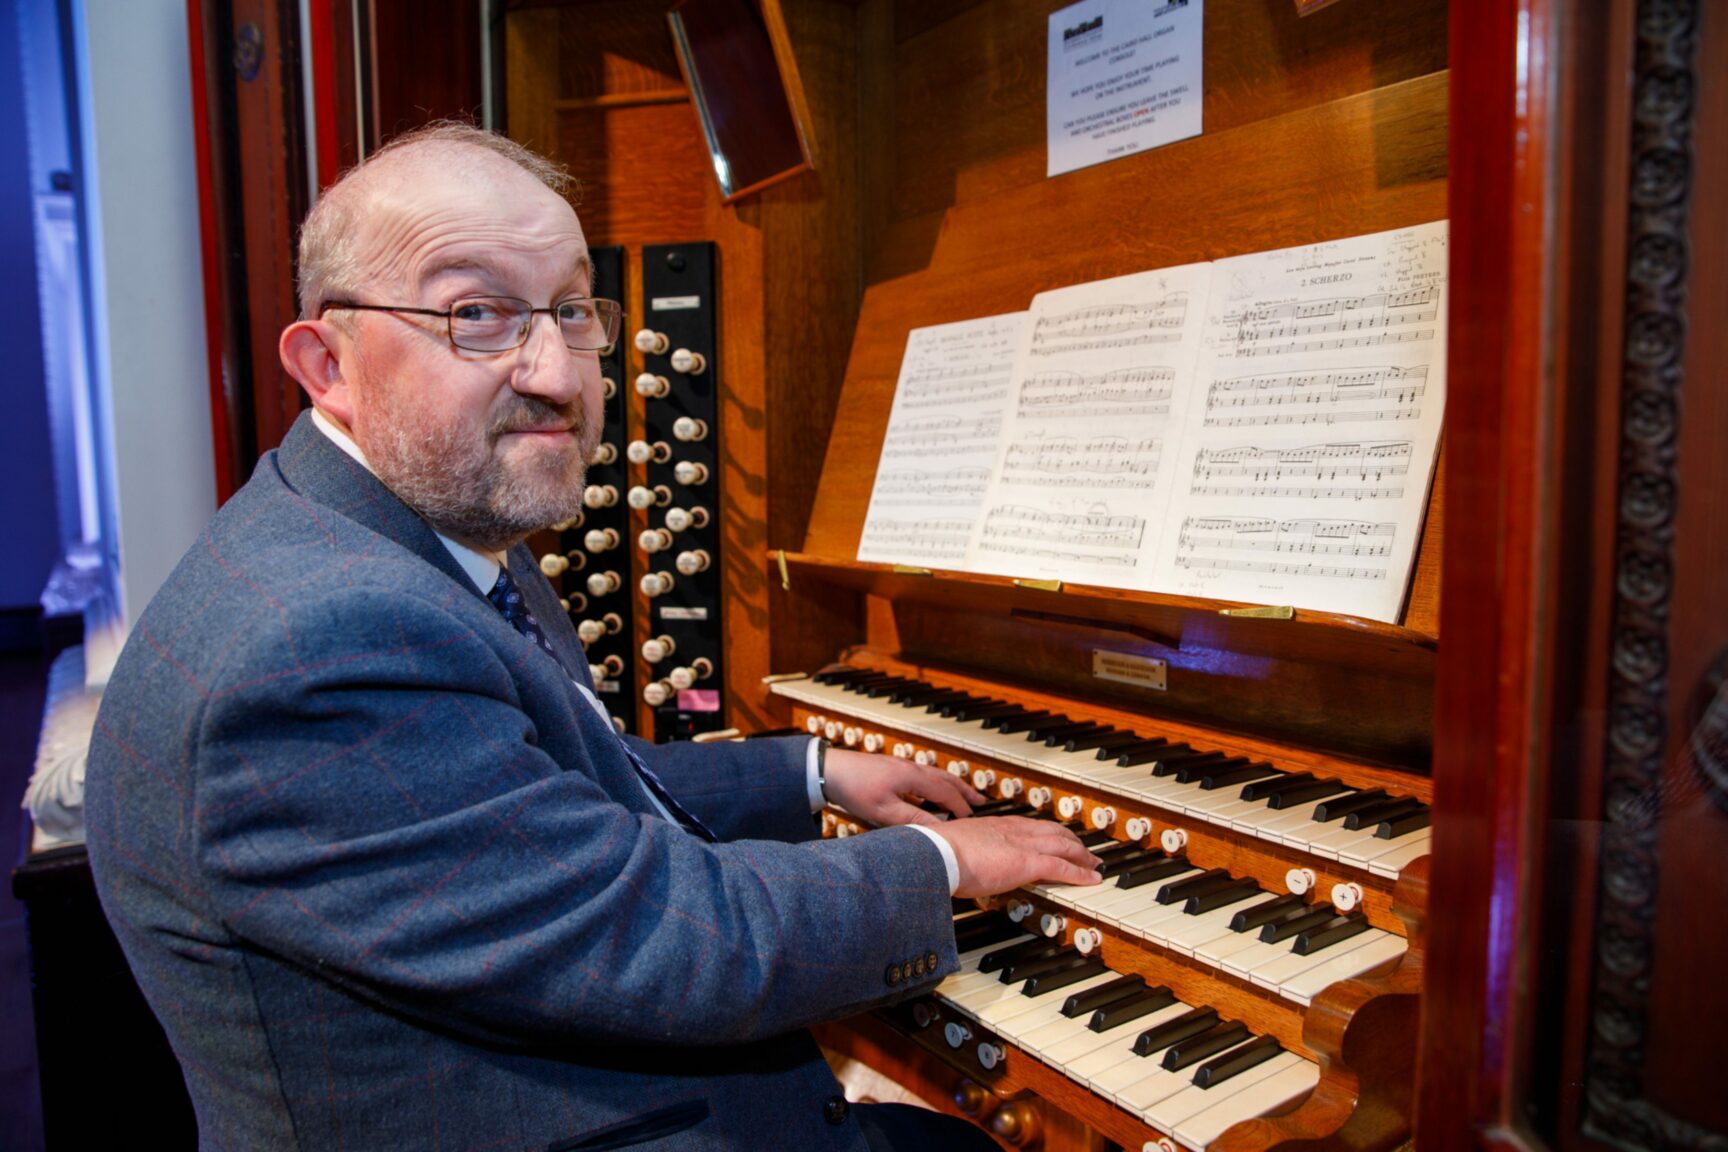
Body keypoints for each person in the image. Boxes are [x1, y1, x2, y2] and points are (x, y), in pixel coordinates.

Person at [83, 122, 1101, 1152]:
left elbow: (538, 793)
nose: (559, 376)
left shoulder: (414, 527)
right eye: (476, 314)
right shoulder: (320, 646)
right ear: (327, 364)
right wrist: (938, 863)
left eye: (571, 310)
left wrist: (812, 772)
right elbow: (666, 939)